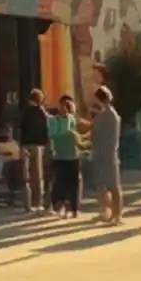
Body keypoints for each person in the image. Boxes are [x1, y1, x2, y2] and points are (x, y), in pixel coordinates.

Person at [90, 86, 124, 225]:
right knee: (106, 185)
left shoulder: (111, 115)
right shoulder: (104, 114)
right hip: (101, 152)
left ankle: (117, 215)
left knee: (113, 186)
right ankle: (110, 213)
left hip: (108, 153)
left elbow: (107, 136)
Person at [48, 95, 83, 218]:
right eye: (63, 105)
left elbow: (75, 136)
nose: (64, 108)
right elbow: (53, 135)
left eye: (67, 105)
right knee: (60, 183)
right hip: (60, 156)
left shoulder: (72, 119)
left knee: (73, 184)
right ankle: (59, 206)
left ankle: (73, 208)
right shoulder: (54, 120)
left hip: (73, 155)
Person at [19, 89, 51, 212]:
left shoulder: (25, 112)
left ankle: (27, 204)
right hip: (37, 146)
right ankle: (38, 203)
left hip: (25, 146)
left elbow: (20, 128)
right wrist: (47, 144)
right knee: (37, 176)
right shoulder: (41, 112)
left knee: (26, 176)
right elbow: (45, 130)